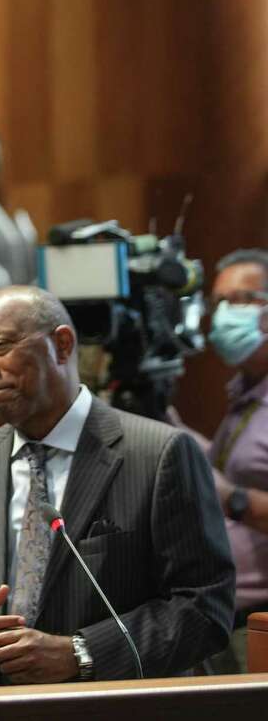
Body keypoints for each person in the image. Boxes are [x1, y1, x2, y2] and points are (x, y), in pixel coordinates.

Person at [0, 285, 234, 685]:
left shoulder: (158, 454)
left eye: (0, 346)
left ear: (62, 345)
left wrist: (83, 655)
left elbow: (205, 608)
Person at [172, 249, 268, 672]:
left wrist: (233, 499)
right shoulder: (247, 391)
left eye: (243, 299)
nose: (227, 313)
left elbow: (231, 486)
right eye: (219, 302)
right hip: (224, 617)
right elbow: (232, 466)